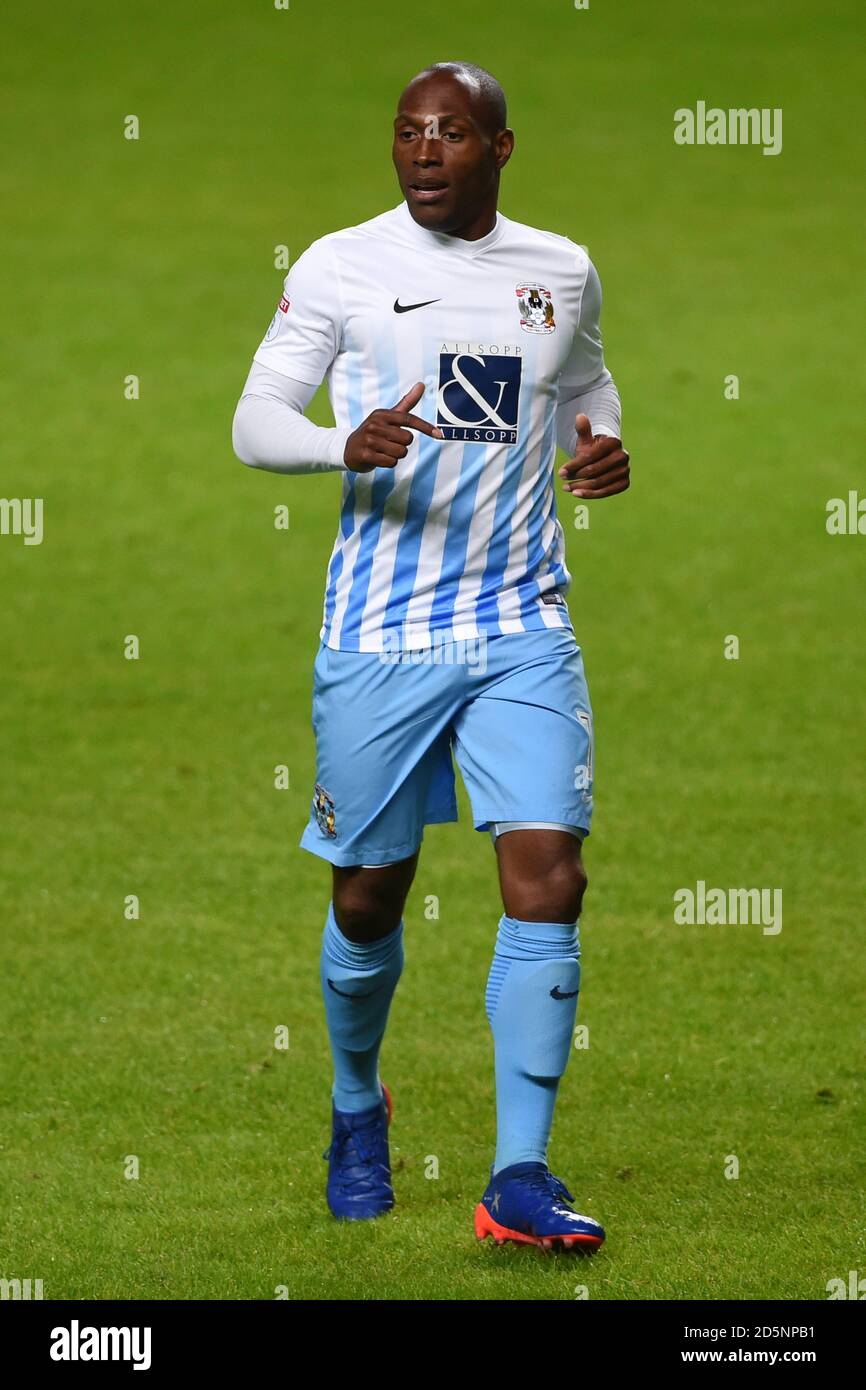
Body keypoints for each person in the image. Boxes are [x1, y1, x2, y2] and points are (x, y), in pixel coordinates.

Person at [232, 60, 629, 1253]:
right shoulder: (338, 264)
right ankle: (357, 1106)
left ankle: (517, 1173)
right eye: (407, 132)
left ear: (498, 149)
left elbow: (585, 382)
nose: (422, 151)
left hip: (521, 622)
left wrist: (603, 446)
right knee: (366, 899)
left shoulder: (558, 271)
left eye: (450, 133)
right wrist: (335, 448)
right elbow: (254, 423)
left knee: (547, 871)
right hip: (379, 634)